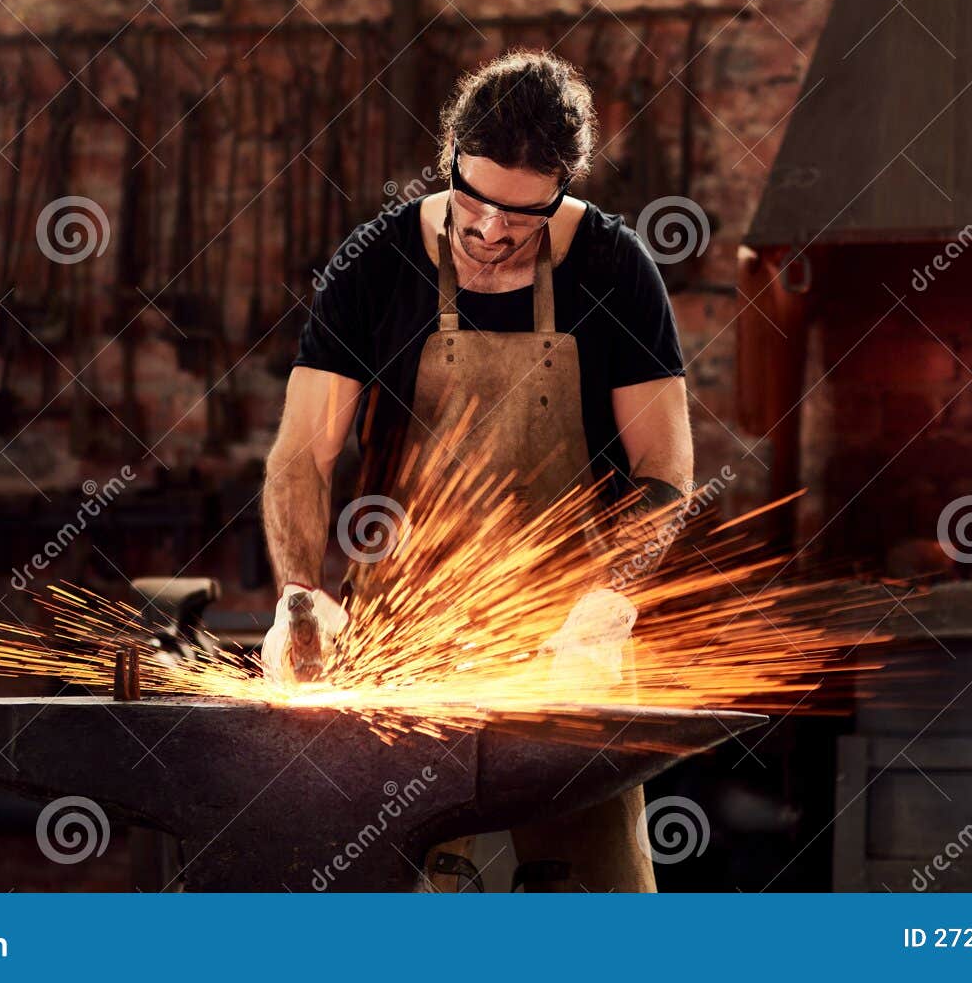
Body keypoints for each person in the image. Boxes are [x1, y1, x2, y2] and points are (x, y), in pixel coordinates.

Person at [260, 48, 692, 891]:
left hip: (568, 647)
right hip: (404, 646)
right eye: (474, 200)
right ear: (450, 155)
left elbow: (664, 465)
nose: (492, 230)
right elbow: (303, 452)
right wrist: (298, 594)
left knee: (597, 909)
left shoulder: (615, 267)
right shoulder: (376, 264)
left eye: (522, 215)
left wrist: (606, 605)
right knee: (407, 909)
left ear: (563, 188)